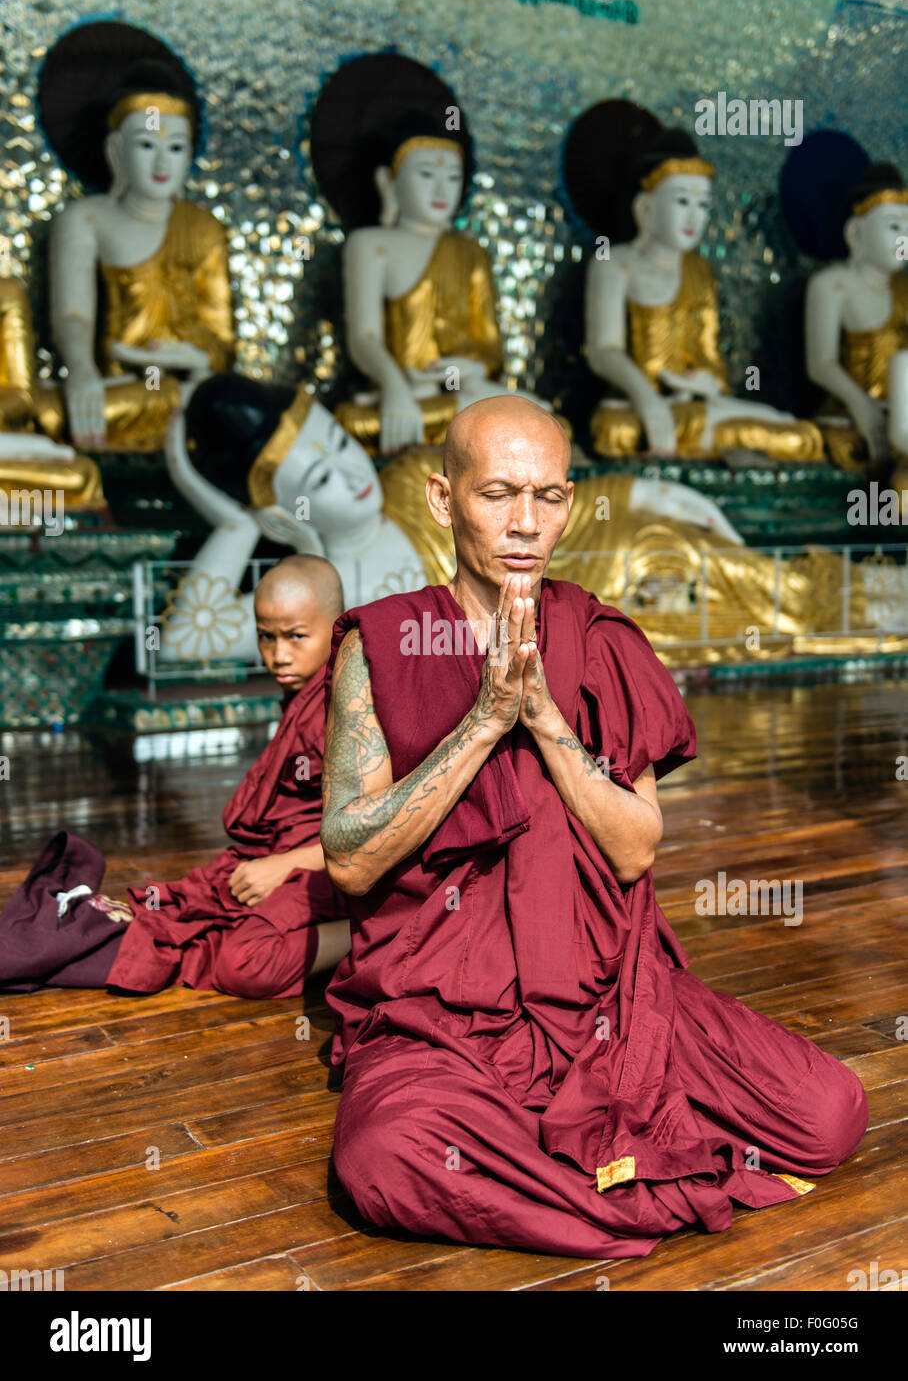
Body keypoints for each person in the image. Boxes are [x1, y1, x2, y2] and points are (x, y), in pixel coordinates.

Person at [319, 395, 868, 1260]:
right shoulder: (385, 644)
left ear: (571, 502)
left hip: (607, 1002)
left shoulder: (598, 639)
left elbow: (635, 845)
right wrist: (482, 722)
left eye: (547, 496)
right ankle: (625, 1186)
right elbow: (350, 862)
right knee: (383, 1158)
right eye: (498, 494)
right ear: (441, 498)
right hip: (442, 1019)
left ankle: (552, 1167)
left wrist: (540, 716)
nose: (525, 524)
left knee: (830, 1111)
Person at [0, 555, 350, 998]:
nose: (279, 655)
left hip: (337, 871)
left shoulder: (349, 704)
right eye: (266, 637)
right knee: (179, 913)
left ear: (337, 627)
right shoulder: (303, 693)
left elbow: (376, 828)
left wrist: (281, 866)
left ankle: (376, 932)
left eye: (297, 637)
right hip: (282, 858)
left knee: (245, 964)